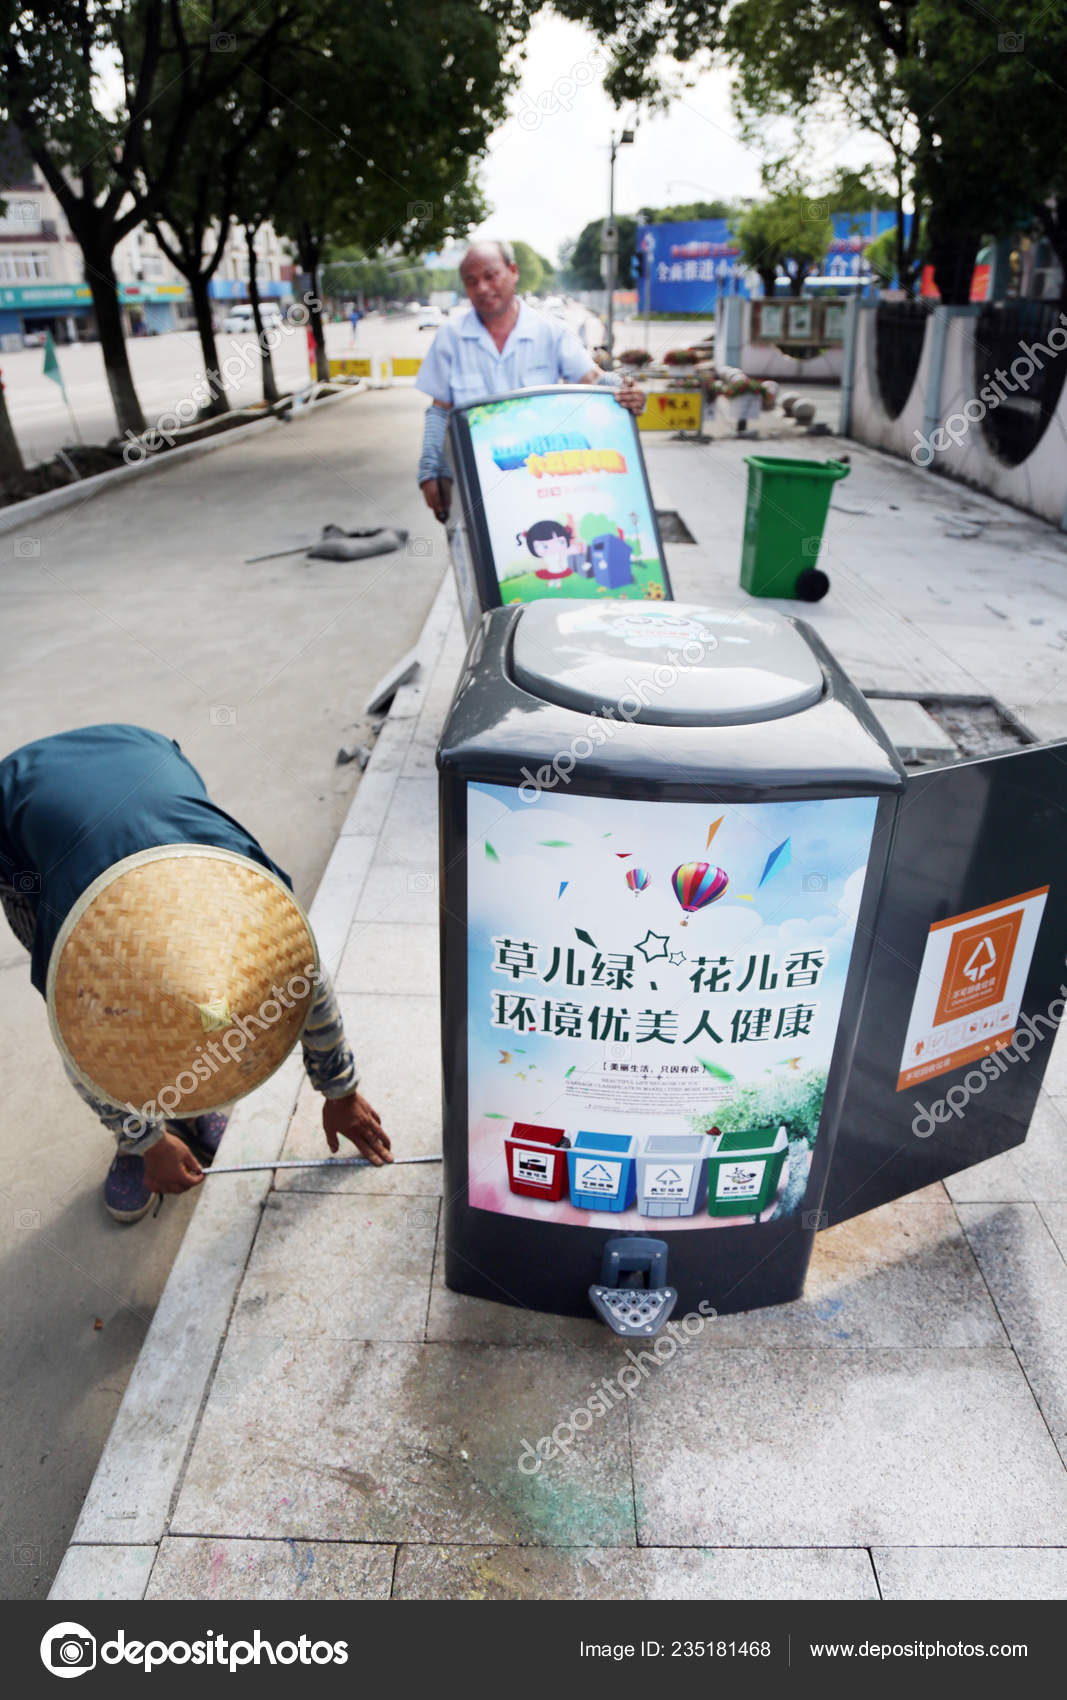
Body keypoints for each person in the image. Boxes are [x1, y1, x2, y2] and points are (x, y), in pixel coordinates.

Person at [0, 725, 391, 1225]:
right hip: (21, 816)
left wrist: (343, 1093)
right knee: (105, 1017)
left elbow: (307, 984)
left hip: (141, 754)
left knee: (187, 1006)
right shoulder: (78, 944)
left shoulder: (259, 916)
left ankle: (187, 1102)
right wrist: (146, 1140)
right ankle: (139, 1137)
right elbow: (81, 1047)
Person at [415, 240, 644, 524]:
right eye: (472, 282)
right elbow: (440, 409)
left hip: (539, 481)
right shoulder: (450, 337)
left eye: (491, 275)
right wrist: (430, 468)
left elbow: (592, 378)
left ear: (513, 271)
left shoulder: (550, 330)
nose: (483, 288)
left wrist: (625, 389)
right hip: (475, 484)